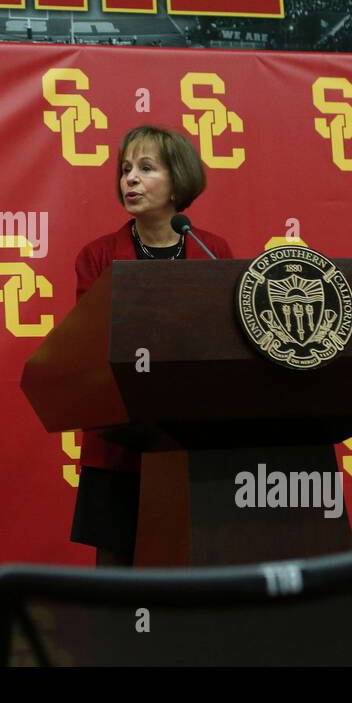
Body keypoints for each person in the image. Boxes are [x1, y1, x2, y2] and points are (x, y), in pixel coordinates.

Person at [70, 124, 232, 567]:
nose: (131, 180)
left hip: (196, 440)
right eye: (125, 170)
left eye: (146, 168)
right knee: (119, 578)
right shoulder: (98, 257)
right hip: (122, 438)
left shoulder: (213, 250)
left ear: (178, 180)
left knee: (197, 565)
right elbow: (90, 343)